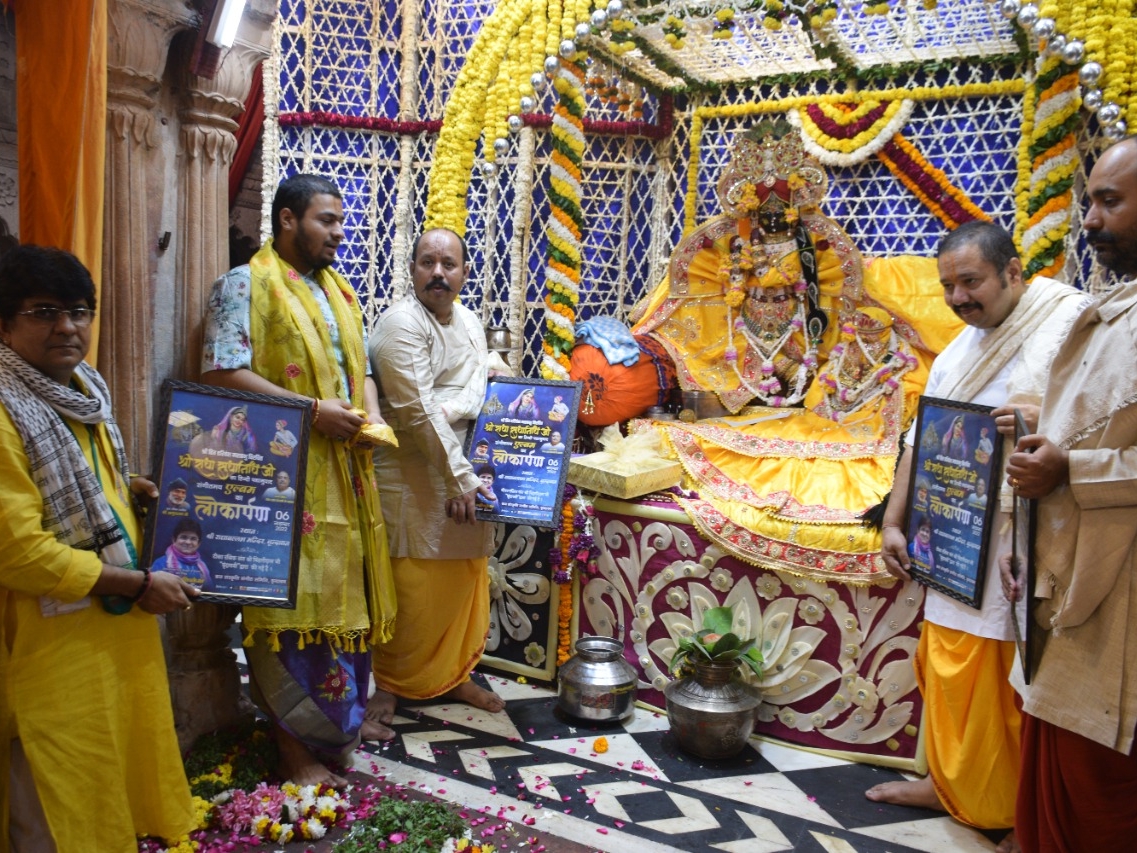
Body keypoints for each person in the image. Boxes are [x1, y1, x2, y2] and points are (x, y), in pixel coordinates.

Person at [866, 221, 1089, 851]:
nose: (960, 297)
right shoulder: (961, 349)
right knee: (946, 661)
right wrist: (892, 520)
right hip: (951, 536)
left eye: (971, 281)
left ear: (1013, 273)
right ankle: (947, 782)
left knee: (1010, 679)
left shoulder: (1064, 327)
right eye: (948, 286)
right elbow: (921, 437)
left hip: (1019, 538)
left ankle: (1021, 809)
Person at [0, 245, 199, 850]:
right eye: (45, 311)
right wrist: (137, 584)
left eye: (80, 311)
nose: (68, 327)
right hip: (46, 639)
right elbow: (20, 553)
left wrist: (128, 486)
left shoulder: (83, 390)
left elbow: (79, 485)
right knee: (52, 793)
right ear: (5, 323)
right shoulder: (7, 407)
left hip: (109, 631)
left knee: (109, 774)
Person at [201, 173, 396, 787]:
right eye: (326, 221)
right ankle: (295, 750)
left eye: (341, 221)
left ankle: (339, 720)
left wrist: (374, 414)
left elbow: (359, 368)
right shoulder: (244, 284)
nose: (339, 233)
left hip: (346, 470)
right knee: (291, 602)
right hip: (281, 476)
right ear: (287, 220)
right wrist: (313, 411)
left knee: (348, 595)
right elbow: (220, 373)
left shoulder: (338, 291)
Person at [1002, 136, 1137, 851]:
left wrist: (1069, 470)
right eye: (1087, 200)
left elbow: (1083, 455)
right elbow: (1080, 423)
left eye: (1107, 201)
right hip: (1062, 573)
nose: (1087, 219)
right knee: (1057, 769)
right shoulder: (1111, 306)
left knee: (1099, 787)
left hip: (1120, 598)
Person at [367, 227, 508, 731]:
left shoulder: (469, 321)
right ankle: (390, 682)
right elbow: (418, 412)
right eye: (427, 262)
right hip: (416, 476)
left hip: (463, 474)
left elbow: (481, 381)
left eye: (449, 264)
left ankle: (455, 675)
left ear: (465, 272)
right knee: (411, 589)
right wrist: (459, 480)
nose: (439, 273)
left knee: (462, 582)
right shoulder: (400, 324)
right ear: (411, 270)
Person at [150, 518, 213, 591]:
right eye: (183, 537)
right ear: (174, 540)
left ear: (198, 544)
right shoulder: (160, 564)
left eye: (193, 539)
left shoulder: (202, 567)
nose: (188, 542)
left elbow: (209, 591)